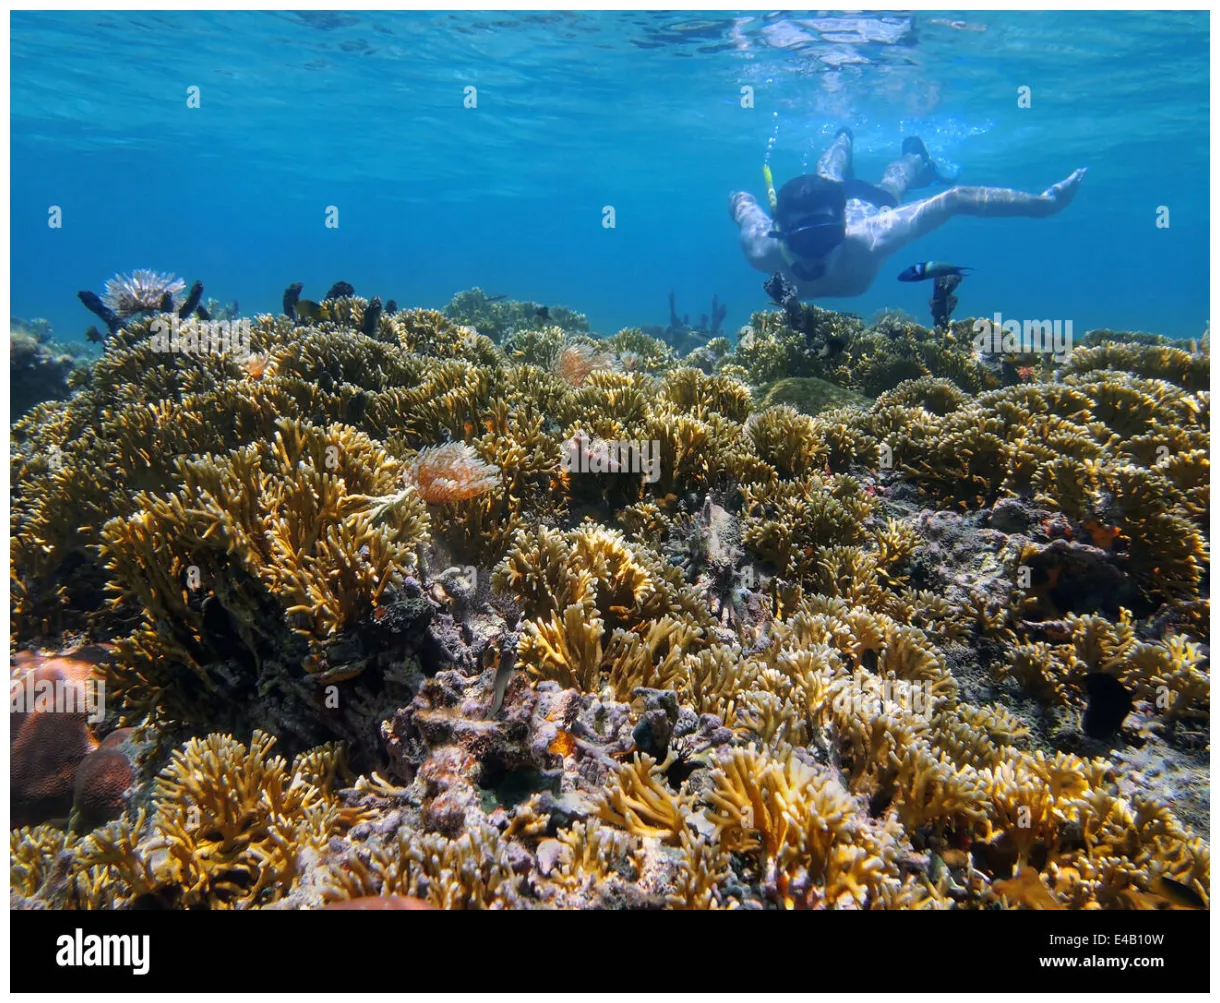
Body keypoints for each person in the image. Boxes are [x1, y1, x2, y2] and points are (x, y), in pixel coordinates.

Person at [730, 128, 1086, 298]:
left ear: (842, 226)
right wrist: (739, 200)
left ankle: (905, 154)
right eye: (804, 240)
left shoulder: (871, 238)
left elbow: (956, 198)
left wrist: (1042, 206)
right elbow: (743, 204)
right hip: (827, 206)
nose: (816, 253)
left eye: (825, 236)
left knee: (889, 187)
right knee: (828, 176)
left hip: (866, 205)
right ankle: (844, 138)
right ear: (781, 234)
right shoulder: (762, 249)